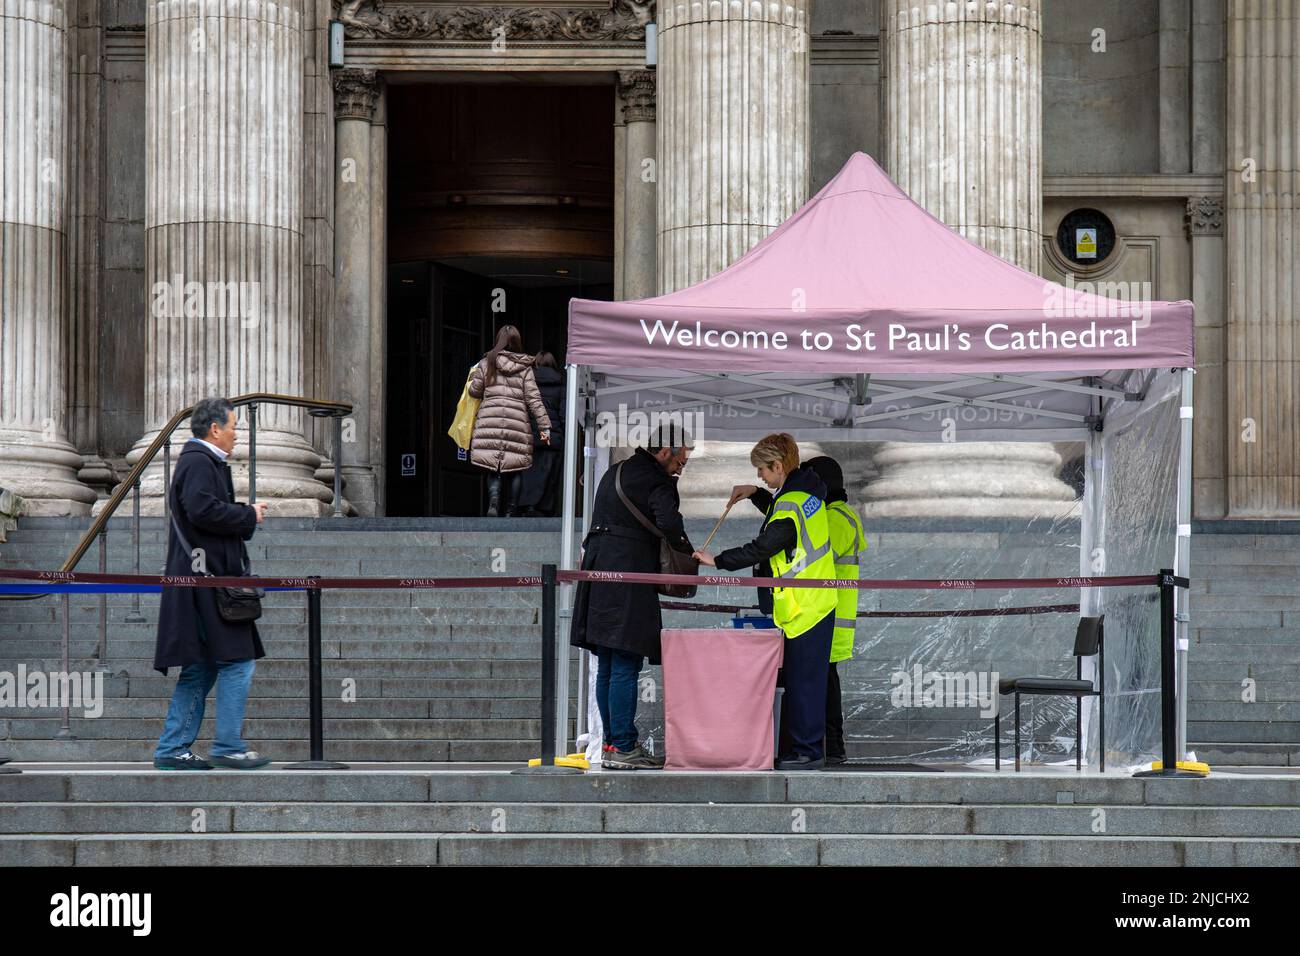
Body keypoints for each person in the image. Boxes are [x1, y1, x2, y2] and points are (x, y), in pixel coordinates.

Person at [694, 433, 837, 770]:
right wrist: (756, 494)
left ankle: (808, 752)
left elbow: (766, 544)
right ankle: (801, 747)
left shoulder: (790, 505)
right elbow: (781, 515)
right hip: (812, 601)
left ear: (778, 465)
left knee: (804, 683)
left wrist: (718, 560)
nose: (760, 476)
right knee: (805, 680)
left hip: (805, 605)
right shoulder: (805, 492)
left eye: (762, 471)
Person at [153, 397, 270, 770]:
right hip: (206, 583)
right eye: (234, 426)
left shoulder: (200, 462)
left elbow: (201, 512)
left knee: (202, 667)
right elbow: (201, 511)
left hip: (201, 581)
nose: (238, 435)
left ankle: (173, 748)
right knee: (238, 662)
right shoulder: (199, 462)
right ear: (215, 428)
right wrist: (247, 515)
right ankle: (228, 745)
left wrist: (242, 518)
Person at [570, 430, 693, 770]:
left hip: (598, 571)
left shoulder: (617, 470)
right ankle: (622, 745)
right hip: (628, 575)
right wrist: (687, 553)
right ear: (666, 451)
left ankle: (611, 743)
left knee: (608, 663)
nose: (684, 462)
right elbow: (669, 523)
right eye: (683, 455)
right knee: (624, 660)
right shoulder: (658, 481)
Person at [803, 455, 865, 766]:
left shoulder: (836, 518)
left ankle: (833, 747)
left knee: (824, 686)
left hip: (827, 618)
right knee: (825, 683)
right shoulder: (836, 515)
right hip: (825, 616)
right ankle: (831, 746)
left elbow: (809, 548)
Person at [468, 325, 551, 517]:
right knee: (516, 469)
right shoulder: (525, 369)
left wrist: (473, 379)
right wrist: (544, 427)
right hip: (517, 425)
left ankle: (494, 501)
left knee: (493, 466)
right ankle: (511, 511)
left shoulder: (486, 363)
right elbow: (534, 399)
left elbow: (475, 391)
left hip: (489, 421)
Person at [514, 352, 565, 517]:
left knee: (528, 471)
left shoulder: (526, 383)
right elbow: (563, 415)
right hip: (549, 434)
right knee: (547, 471)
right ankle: (541, 507)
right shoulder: (560, 385)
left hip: (529, 433)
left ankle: (526, 504)